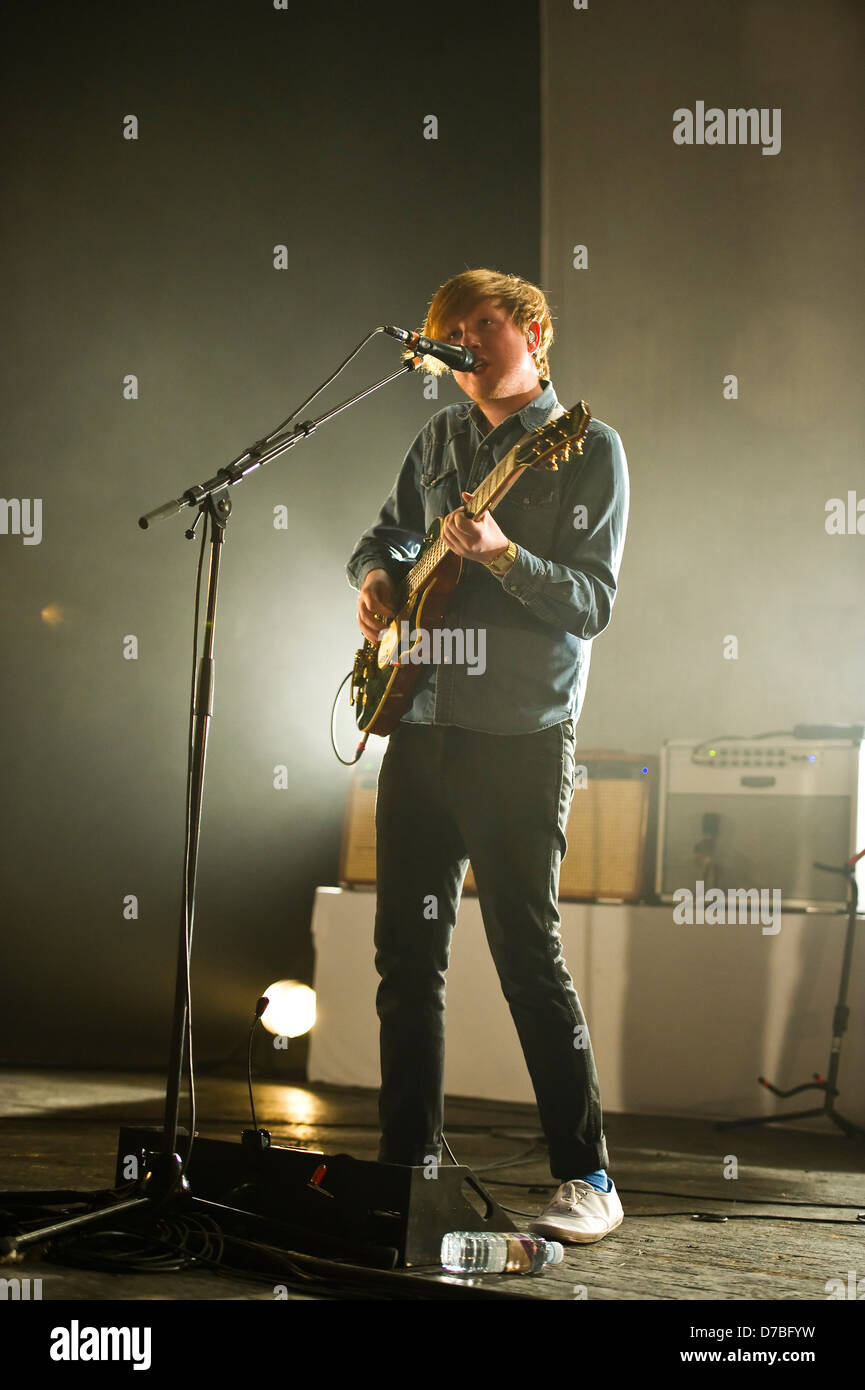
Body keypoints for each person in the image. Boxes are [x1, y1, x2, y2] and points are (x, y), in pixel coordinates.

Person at [345, 269, 629, 1243]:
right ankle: (405, 1169)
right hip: (420, 724)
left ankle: (586, 1173)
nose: (463, 346)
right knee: (404, 960)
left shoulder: (584, 451)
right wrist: (380, 576)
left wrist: (505, 555)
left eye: (480, 328)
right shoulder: (437, 441)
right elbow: (379, 536)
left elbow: (591, 602)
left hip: (518, 736)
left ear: (535, 334)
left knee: (525, 954)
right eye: (447, 335)